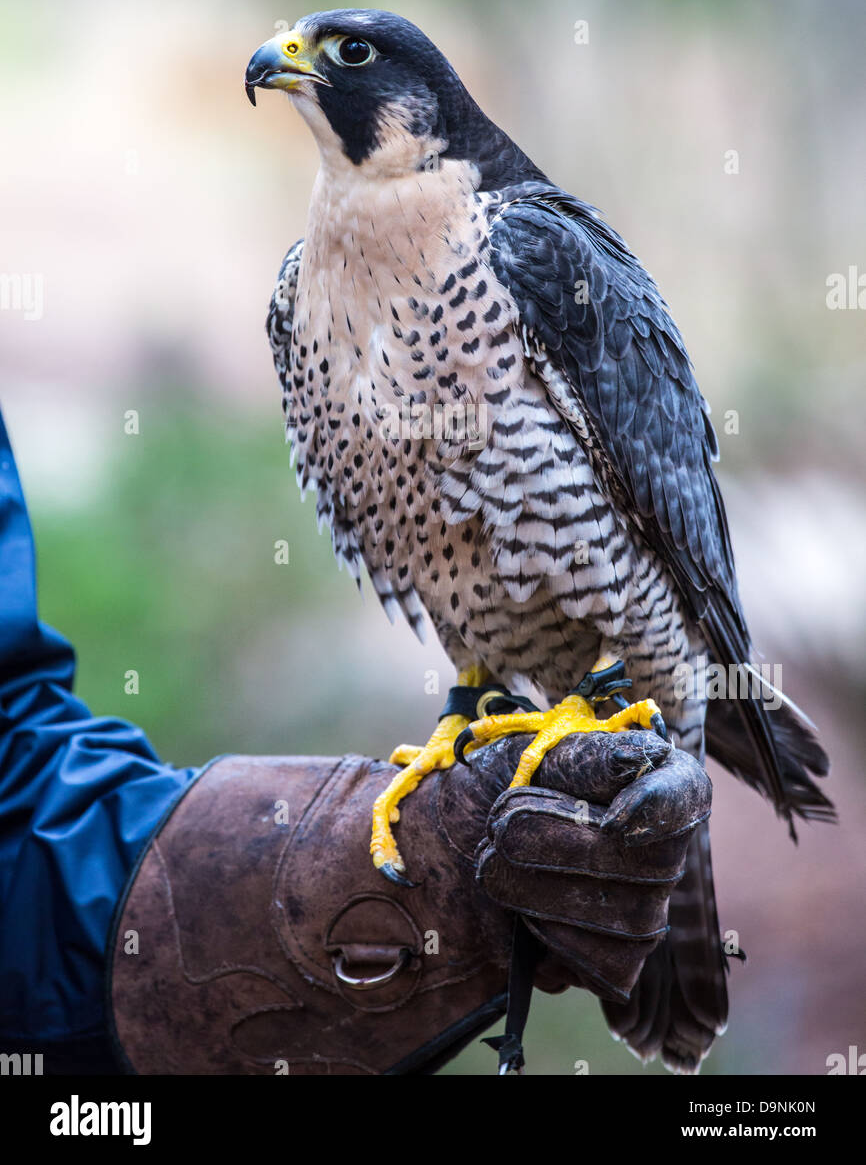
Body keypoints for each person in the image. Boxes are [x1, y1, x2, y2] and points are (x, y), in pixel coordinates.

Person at [0, 408, 710, 1076]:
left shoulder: (537, 282)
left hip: (625, 673)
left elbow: (16, 768)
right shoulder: (303, 313)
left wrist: (394, 879)